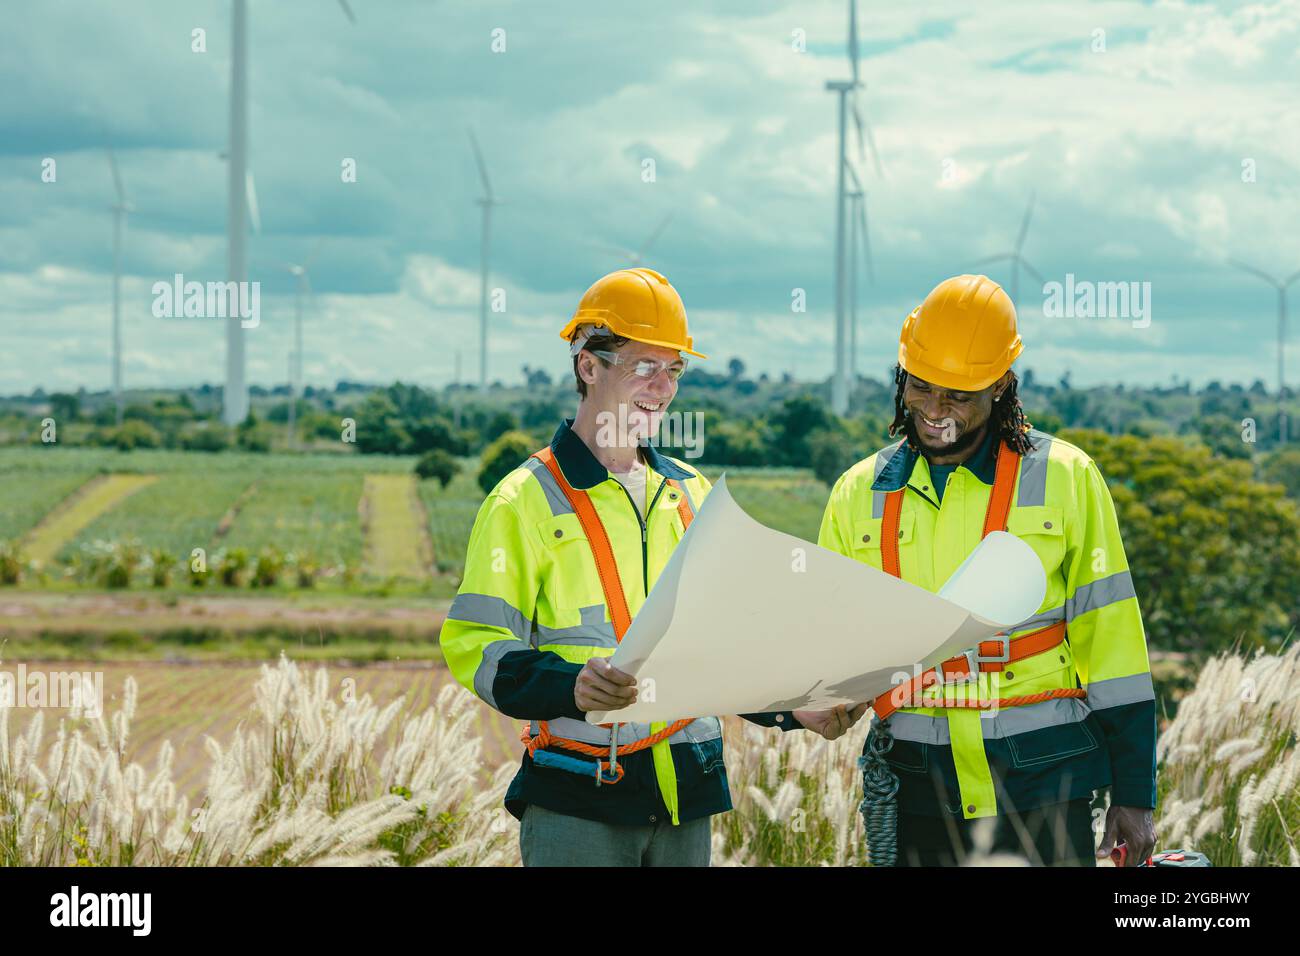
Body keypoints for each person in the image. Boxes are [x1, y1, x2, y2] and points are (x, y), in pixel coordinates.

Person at [441, 267, 850, 866]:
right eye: (643, 366)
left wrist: (796, 706)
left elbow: (728, 642)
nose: (662, 387)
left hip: (685, 793)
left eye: (674, 370)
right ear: (588, 365)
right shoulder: (523, 500)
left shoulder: (691, 494)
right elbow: (475, 643)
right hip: (578, 798)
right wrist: (571, 687)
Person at [818, 274, 1157, 866]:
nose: (935, 412)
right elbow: (820, 642)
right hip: (915, 787)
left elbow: (1115, 649)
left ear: (1001, 386)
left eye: (958, 396)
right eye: (920, 389)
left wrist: (1134, 794)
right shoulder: (855, 493)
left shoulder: (1067, 479)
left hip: (1043, 783)